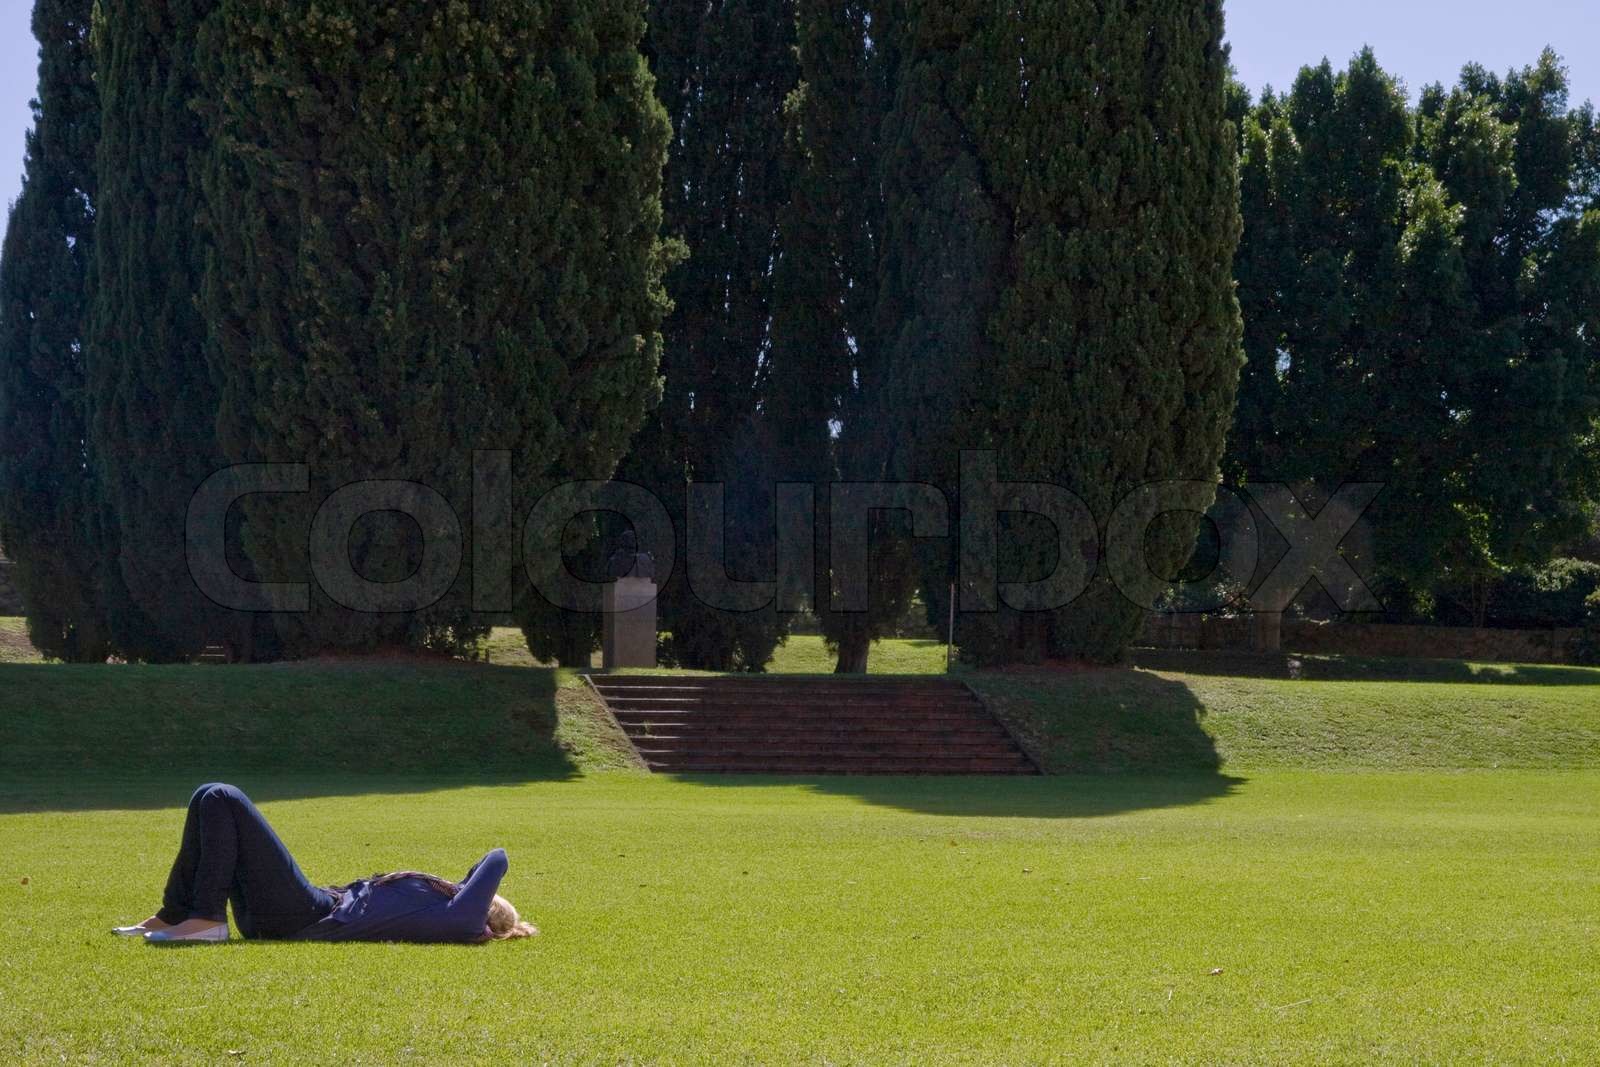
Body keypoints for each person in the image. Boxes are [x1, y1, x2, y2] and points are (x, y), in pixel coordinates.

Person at [113, 783, 538, 944]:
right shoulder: (448, 909)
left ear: (482, 906)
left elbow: (495, 858)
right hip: (287, 914)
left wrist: (480, 901)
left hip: (309, 915)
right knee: (207, 796)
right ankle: (172, 916)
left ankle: (206, 920)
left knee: (224, 797)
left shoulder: (460, 919)